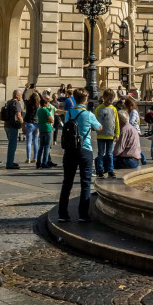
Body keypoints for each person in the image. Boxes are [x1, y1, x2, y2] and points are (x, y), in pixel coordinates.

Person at [58, 89, 100, 222]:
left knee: (67, 182)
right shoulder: (88, 114)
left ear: (75, 99)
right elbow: (99, 127)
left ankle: (62, 214)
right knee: (85, 183)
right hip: (84, 150)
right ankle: (82, 215)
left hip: (69, 151)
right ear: (85, 99)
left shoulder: (68, 113)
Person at [94, 90, 121, 179]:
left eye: (111, 99)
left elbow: (116, 122)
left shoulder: (113, 109)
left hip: (110, 135)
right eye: (108, 99)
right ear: (104, 98)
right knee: (100, 153)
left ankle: (110, 170)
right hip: (101, 135)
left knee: (109, 153)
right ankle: (100, 170)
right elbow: (94, 120)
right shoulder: (99, 108)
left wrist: (117, 133)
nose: (110, 101)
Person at [114, 103, 142, 170]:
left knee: (106, 160)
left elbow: (118, 150)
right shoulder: (132, 128)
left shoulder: (124, 130)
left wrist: (110, 154)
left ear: (119, 120)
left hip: (128, 161)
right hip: (135, 160)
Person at [0, 90, 24, 169]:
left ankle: (11, 161)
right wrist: (23, 124)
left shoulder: (9, 102)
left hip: (6, 125)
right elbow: (18, 115)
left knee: (11, 144)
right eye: (20, 95)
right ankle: (9, 163)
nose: (21, 97)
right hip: (13, 126)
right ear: (17, 95)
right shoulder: (16, 103)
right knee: (12, 146)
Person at [23, 90, 40, 164]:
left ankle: (28, 158)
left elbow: (23, 96)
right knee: (36, 142)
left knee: (28, 142)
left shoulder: (28, 104)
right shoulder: (38, 105)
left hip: (29, 123)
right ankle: (35, 158)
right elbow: (42, 99)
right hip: (37, 124)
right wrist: (38, 93)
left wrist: (27, 89)